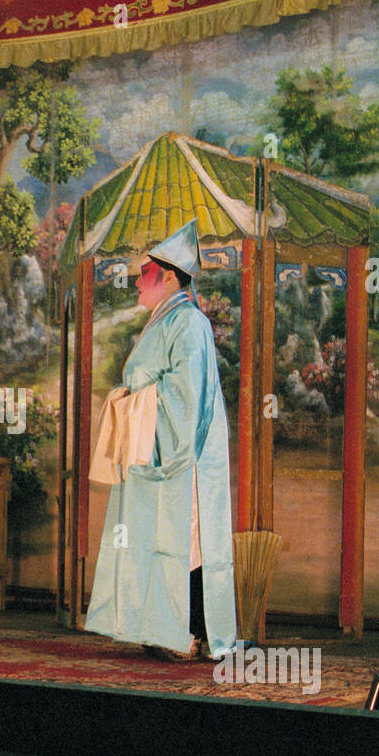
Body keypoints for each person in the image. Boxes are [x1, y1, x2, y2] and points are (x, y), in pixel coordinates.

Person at [85, 219, 238, 661]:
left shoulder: (188, 322)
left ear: (170, 277)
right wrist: (130, 400)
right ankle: (160, 627)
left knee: (183, 544)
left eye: (146, 272)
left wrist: (138, 401)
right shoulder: (165, 320)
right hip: (151, 446)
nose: (137, 281)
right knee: (152, 539)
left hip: (177, 453)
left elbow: (187, 395)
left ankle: (186, 632)